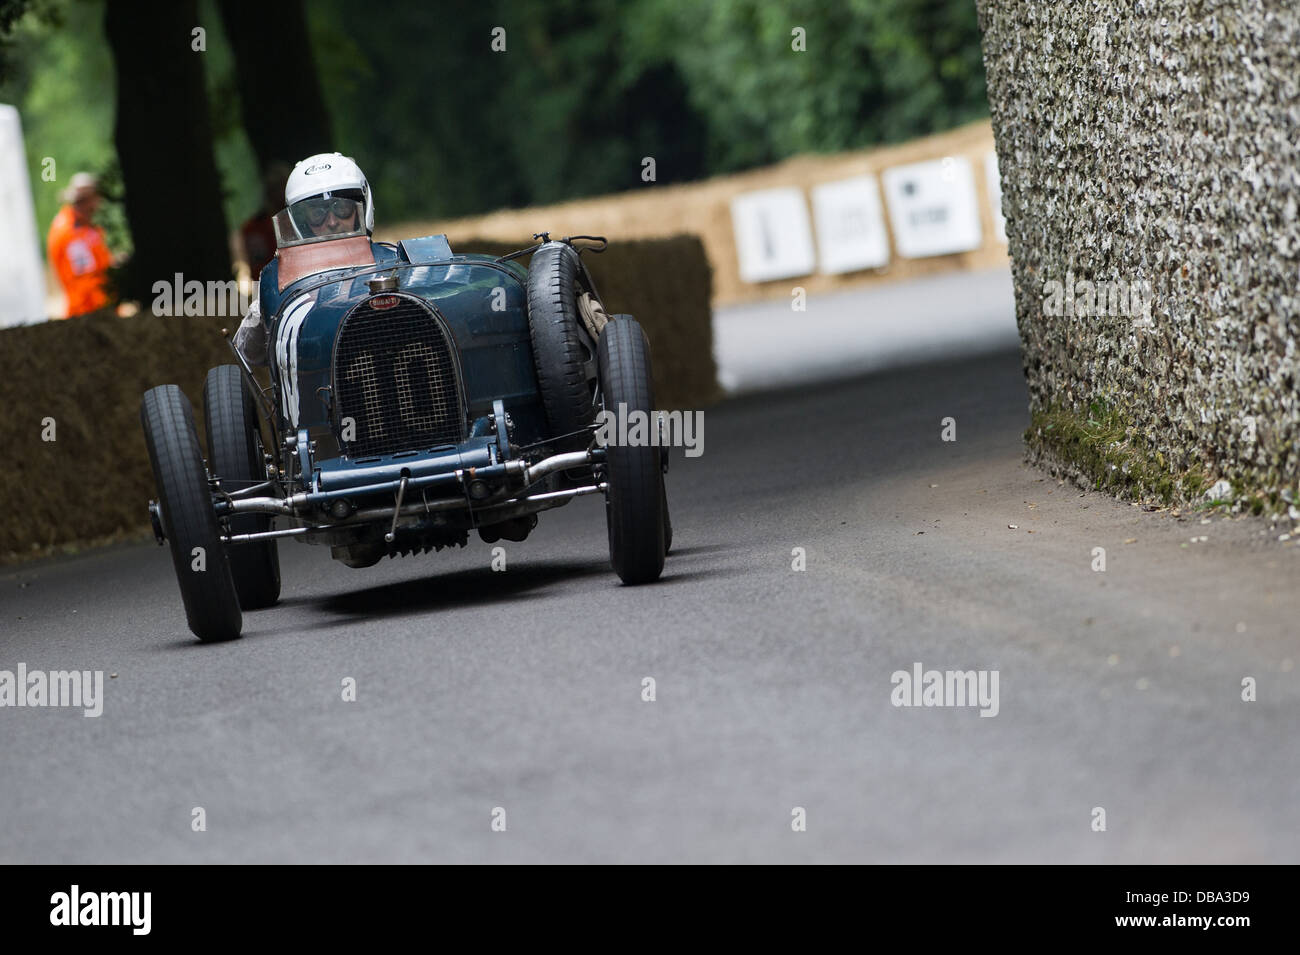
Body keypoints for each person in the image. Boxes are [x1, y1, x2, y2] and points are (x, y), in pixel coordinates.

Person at [234, 152, 376, 367]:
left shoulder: (392, 264)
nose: (332, 222)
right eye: (317, 213)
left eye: (342, 209)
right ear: (301, 221)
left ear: (361, 208)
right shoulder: (283, 281)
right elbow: (247, 351)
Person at [46, 172, 114, 319]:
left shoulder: (86, 226)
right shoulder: (70, 234)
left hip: (96, 310)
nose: (98, 205)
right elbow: (86, 283)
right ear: (86, 202)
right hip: (89, 314)